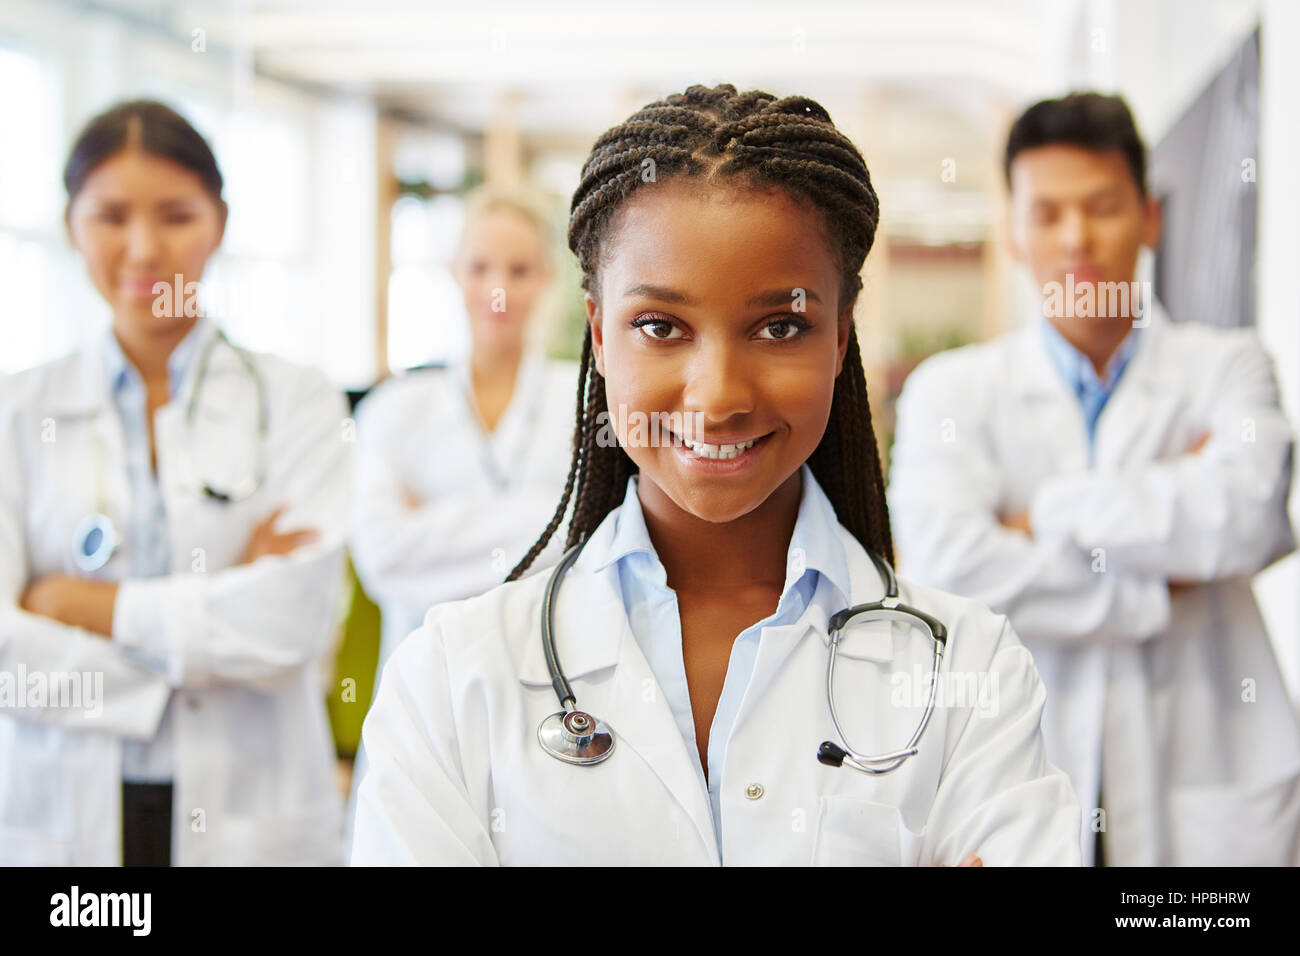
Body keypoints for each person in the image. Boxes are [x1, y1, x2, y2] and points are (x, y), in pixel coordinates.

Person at [350, 84, 1080, 866]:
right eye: (660, 326)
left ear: (840, 341)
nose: (720, 395)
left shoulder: (970, 672)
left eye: (780, 326)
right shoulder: (450, 679)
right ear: (600, 336)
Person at [888, 92, 1300, 866]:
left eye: (1102, 207)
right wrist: (1160, 573)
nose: (1076, 238)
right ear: (1013, 231)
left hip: (1208, 782)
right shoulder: (952, 391)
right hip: (1020, 774)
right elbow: (947, 568)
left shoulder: (1229, 366)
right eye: (1047, 214)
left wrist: (1044, 511)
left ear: (1150, 217)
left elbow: (1247, 515)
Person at [0, 100, 352, 865]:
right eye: (111, 216)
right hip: (64, 815)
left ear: (219, 222)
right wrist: (216, 616)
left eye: (176, 215)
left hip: (251, 816)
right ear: (70, 227)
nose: (143, 248)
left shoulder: (296, 401)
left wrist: (78, 605)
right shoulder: (17, 412)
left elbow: (291, 625)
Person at [349, 187, 576, 681]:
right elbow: (383, 557)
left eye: (519, 271)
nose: (499, 288)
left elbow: (587, 537)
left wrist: (430, 525)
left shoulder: (584, 404)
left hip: (545, 676)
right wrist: (540, 516)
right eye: (480, 268)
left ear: (548, 279)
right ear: (453, 272)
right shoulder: (393, 409)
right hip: (422, 680)